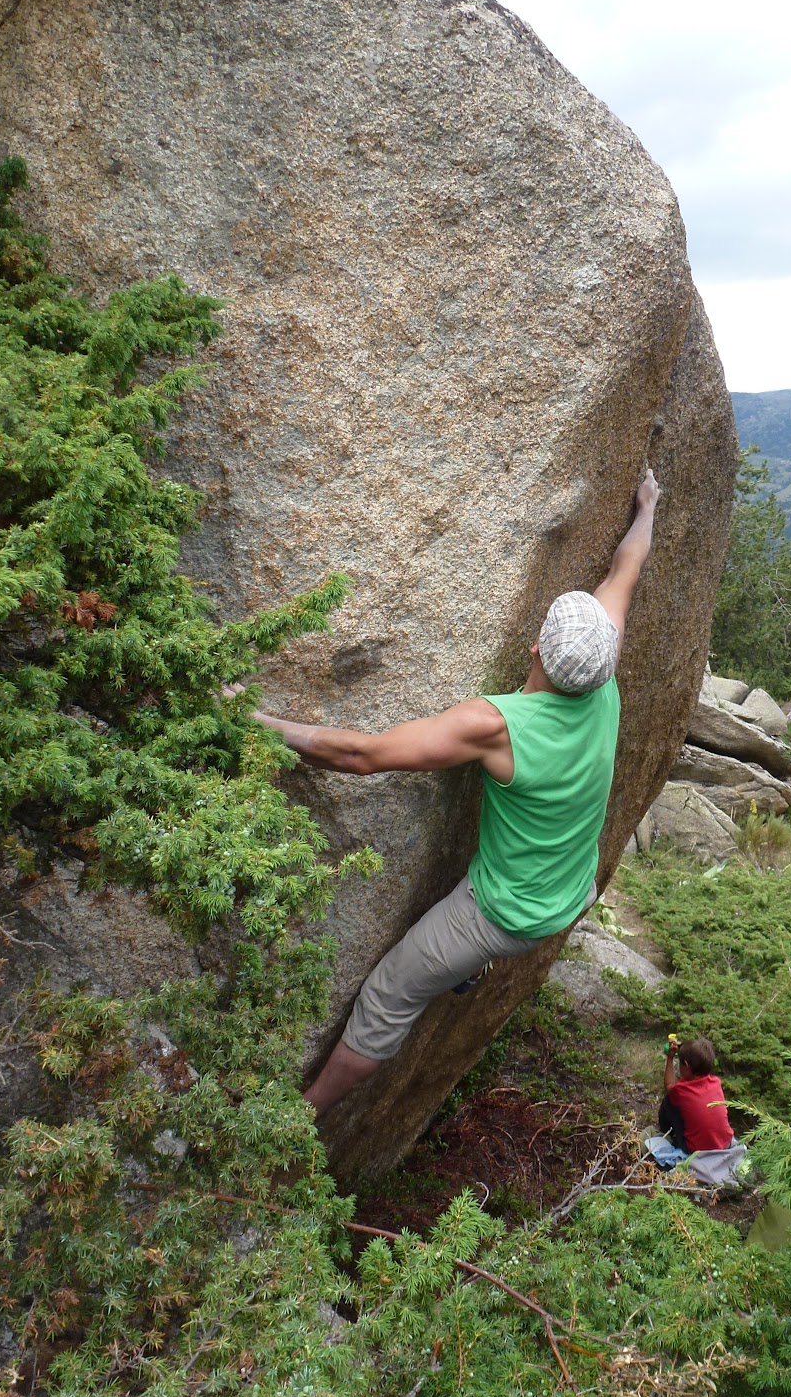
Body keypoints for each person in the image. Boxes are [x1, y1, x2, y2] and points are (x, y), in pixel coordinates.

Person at [233, 470, 661, 1117]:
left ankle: (301, 1115)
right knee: (470, 928)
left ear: (537, 643)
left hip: (504, 912)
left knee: (390, 995)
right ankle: (463, 965)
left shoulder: (497, 727)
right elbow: (628, 565)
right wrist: (648, 505)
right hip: (569, 889)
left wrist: (254, 721)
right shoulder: (601, 681)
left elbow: (364, 756)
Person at [658, 1035, 734, 1155]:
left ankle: (665, 1133)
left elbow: (668, 1085)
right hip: (725, 1144)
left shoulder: (681, 1090)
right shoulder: (716, 1082)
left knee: (669, 1101)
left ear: (686, 1066)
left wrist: (670, 1058)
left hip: (697, 1150)